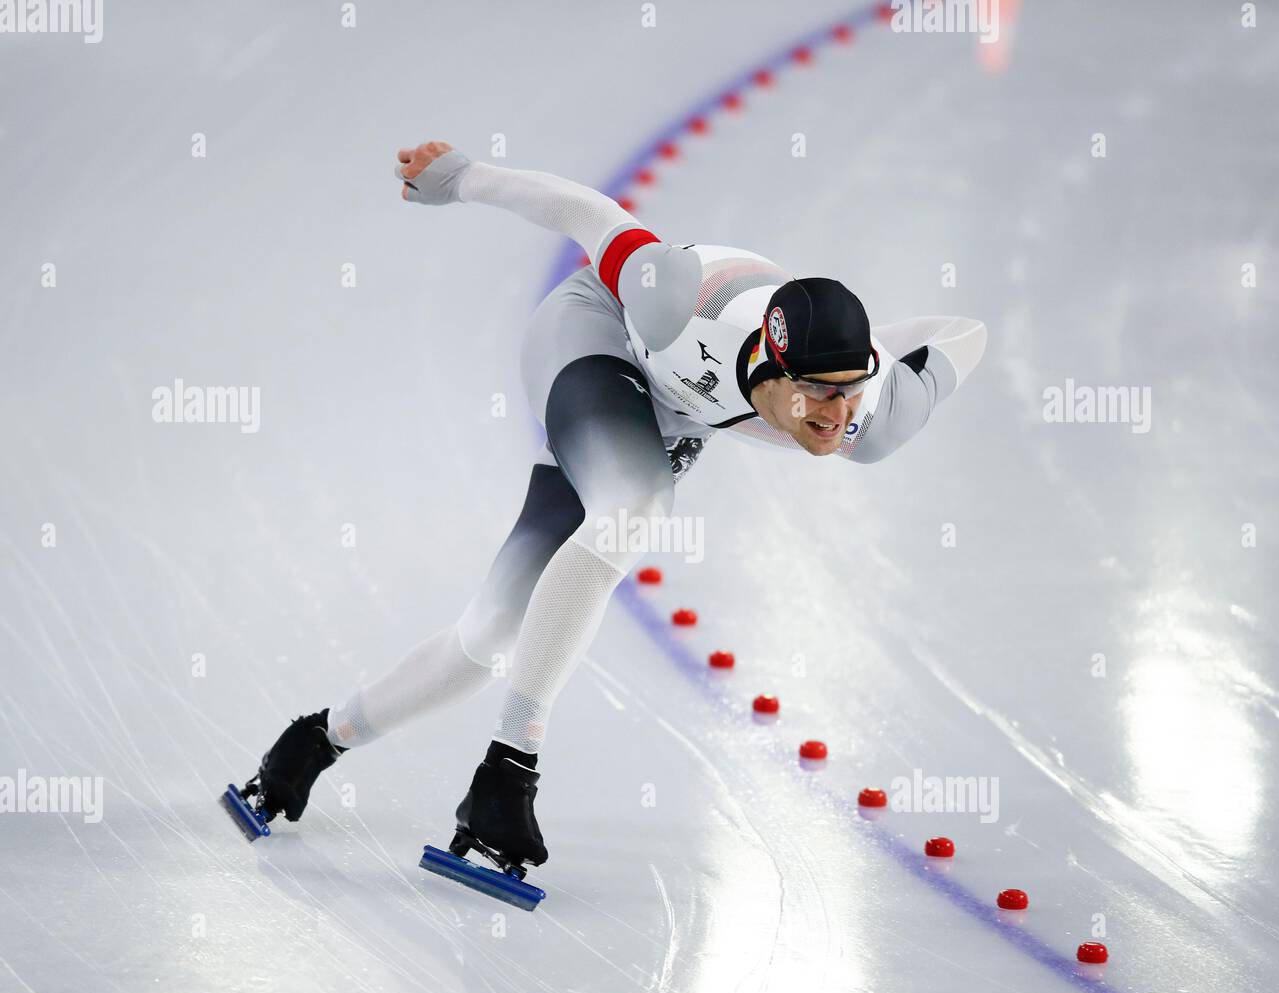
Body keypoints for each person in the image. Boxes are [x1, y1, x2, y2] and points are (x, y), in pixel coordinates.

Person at [239, 140, 987, 874]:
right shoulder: (678, 302)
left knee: (493, 631)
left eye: (850, 387)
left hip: (663, 415)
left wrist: (877, 354)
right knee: (635, 503)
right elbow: (587, 213)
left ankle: (311, 743)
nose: (835, 414)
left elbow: (967, 334)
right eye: (819, 391)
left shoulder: (869, 418)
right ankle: (509, 768)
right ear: (770, 366)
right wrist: (462, 177)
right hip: (592, 334)